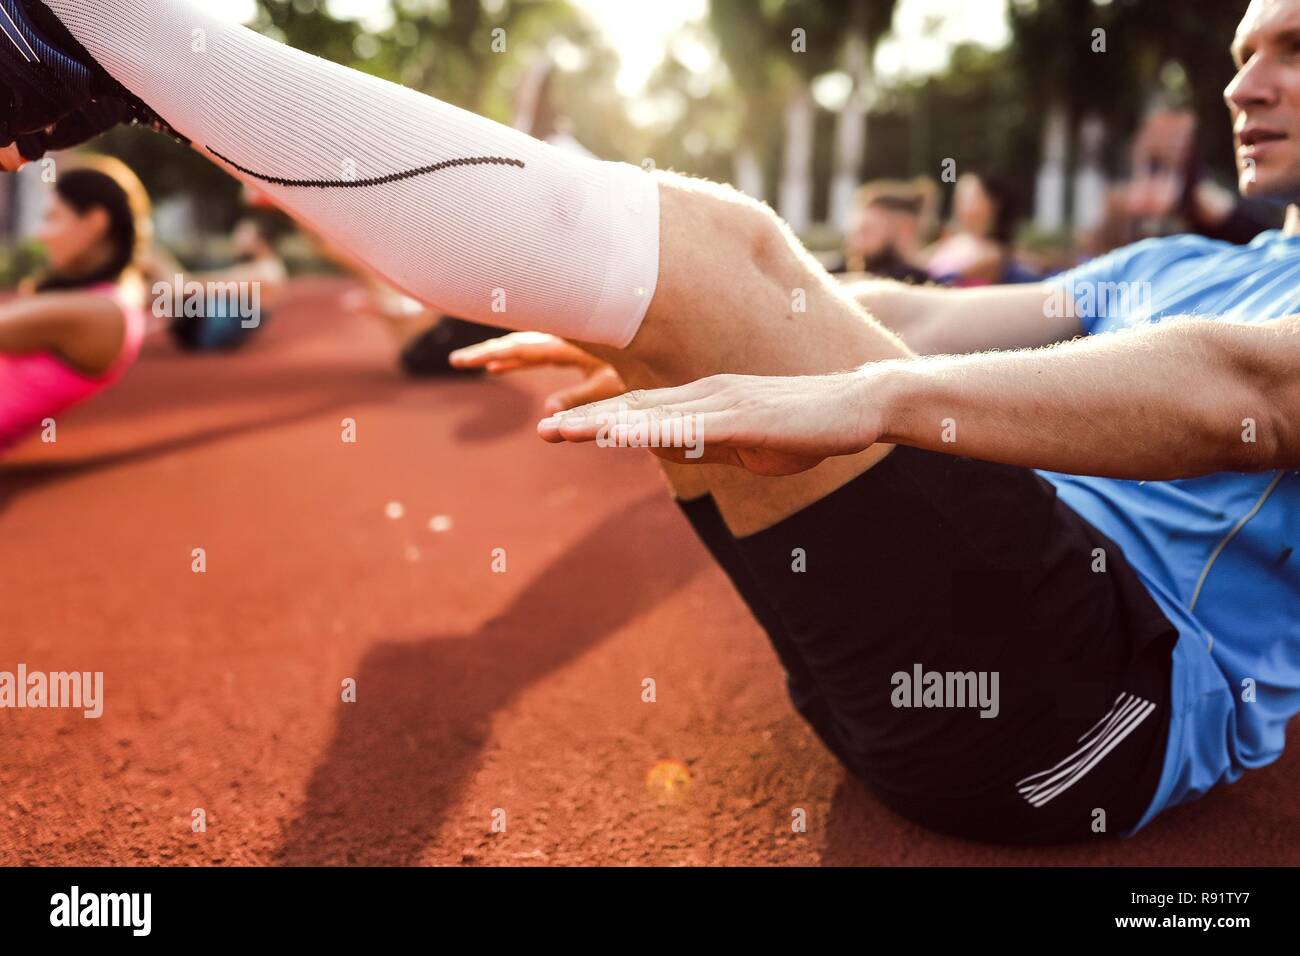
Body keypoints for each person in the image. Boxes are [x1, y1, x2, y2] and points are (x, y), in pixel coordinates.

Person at [5, 0, 1297, 844]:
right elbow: (941, 317)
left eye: (1290, 46)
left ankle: (106, 33)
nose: (1249, 84)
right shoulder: (1187, 265)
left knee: (727, 252)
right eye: (1241, 51)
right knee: (734, 255)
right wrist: (673, 313)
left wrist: (866, 386)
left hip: (1102, 708)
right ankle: (108, 44)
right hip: (958, 674)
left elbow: (1250, 394)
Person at [0, 155, 149, 452]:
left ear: (95, 222)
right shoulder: (114, 296)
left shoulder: (103, 312)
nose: (41, 234)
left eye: (52, 217)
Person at [920, 171, 1032, 285]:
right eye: (959, 197)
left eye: (970, 198)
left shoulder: (993, 254)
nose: (962, 205)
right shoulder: (949, 243)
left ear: (993, 203)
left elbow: (943, 281)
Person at [826, 179, 933, 284]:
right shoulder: (841, 269)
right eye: (856, 232)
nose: (856, 241)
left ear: (905, 228)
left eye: (867, 231)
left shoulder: (919, 280)